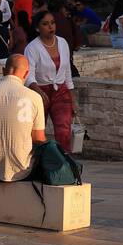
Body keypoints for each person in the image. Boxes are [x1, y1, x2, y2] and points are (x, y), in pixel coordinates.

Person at [0, 54, 47, 182]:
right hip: (21, 171)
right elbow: (39, 139)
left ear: (3, 70)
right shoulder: (34, 97)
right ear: (26, 74)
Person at [25, 11, 76, 152]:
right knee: (36, 131)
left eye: (52, 23)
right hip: (39, 92)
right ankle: (35, 162)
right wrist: (38, 91)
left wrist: (71, 96)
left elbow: (67, 72)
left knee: (64, 130)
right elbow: (29, 75)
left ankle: (65, 162)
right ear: (37, 28)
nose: (50, 27)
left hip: (61, 91)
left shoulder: (63, 43)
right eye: (45, 24)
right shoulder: (32, 48)